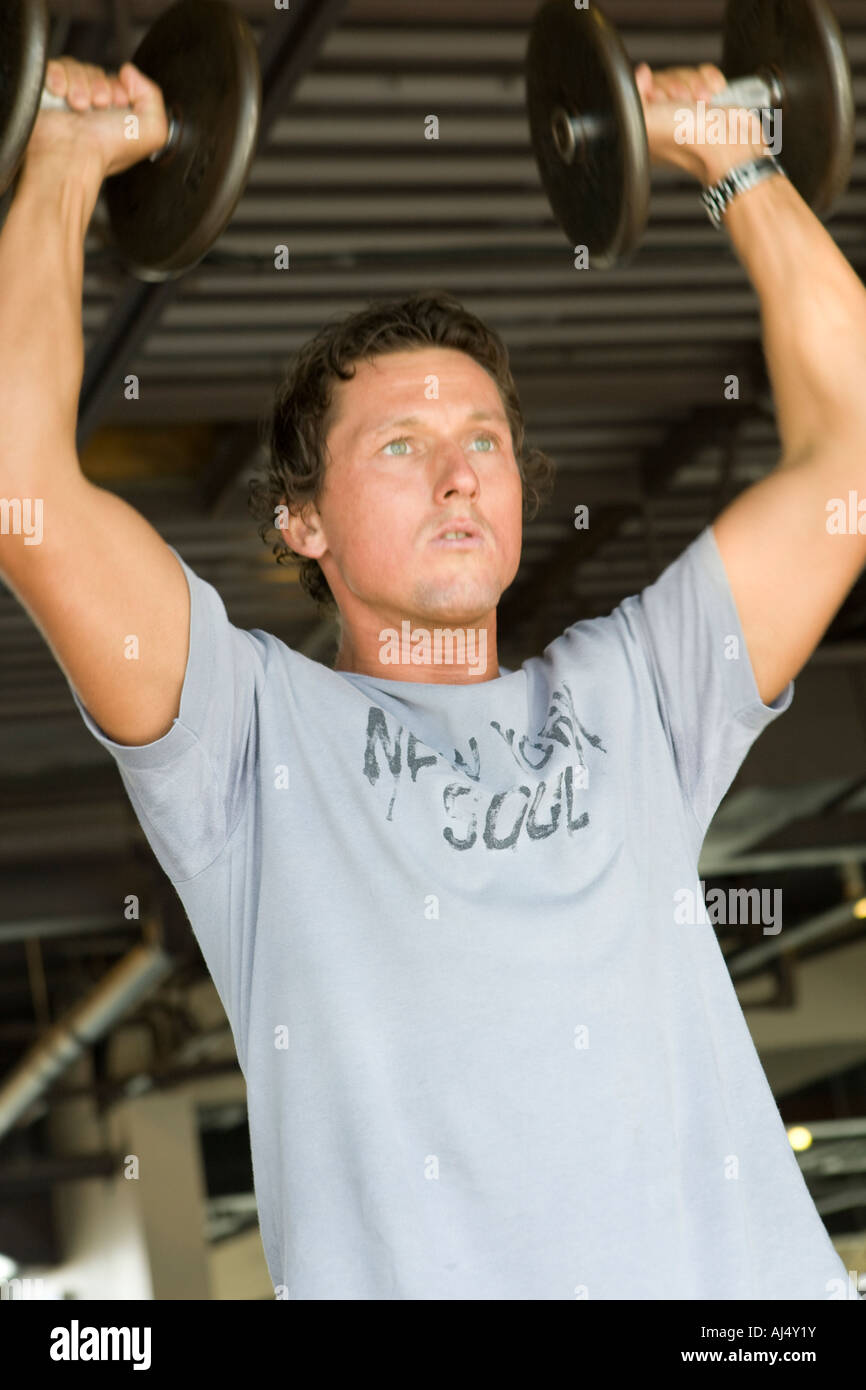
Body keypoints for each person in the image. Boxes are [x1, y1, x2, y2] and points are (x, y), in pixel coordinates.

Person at [1, 49, 864, 1301]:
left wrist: (733, 157)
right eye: (401, 445)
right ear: (300, 520)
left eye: (483, 442)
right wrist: (66, 159)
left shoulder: (640, 692)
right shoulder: (245, 735)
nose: (459, 473)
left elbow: (848, 466)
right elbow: (25, 497)